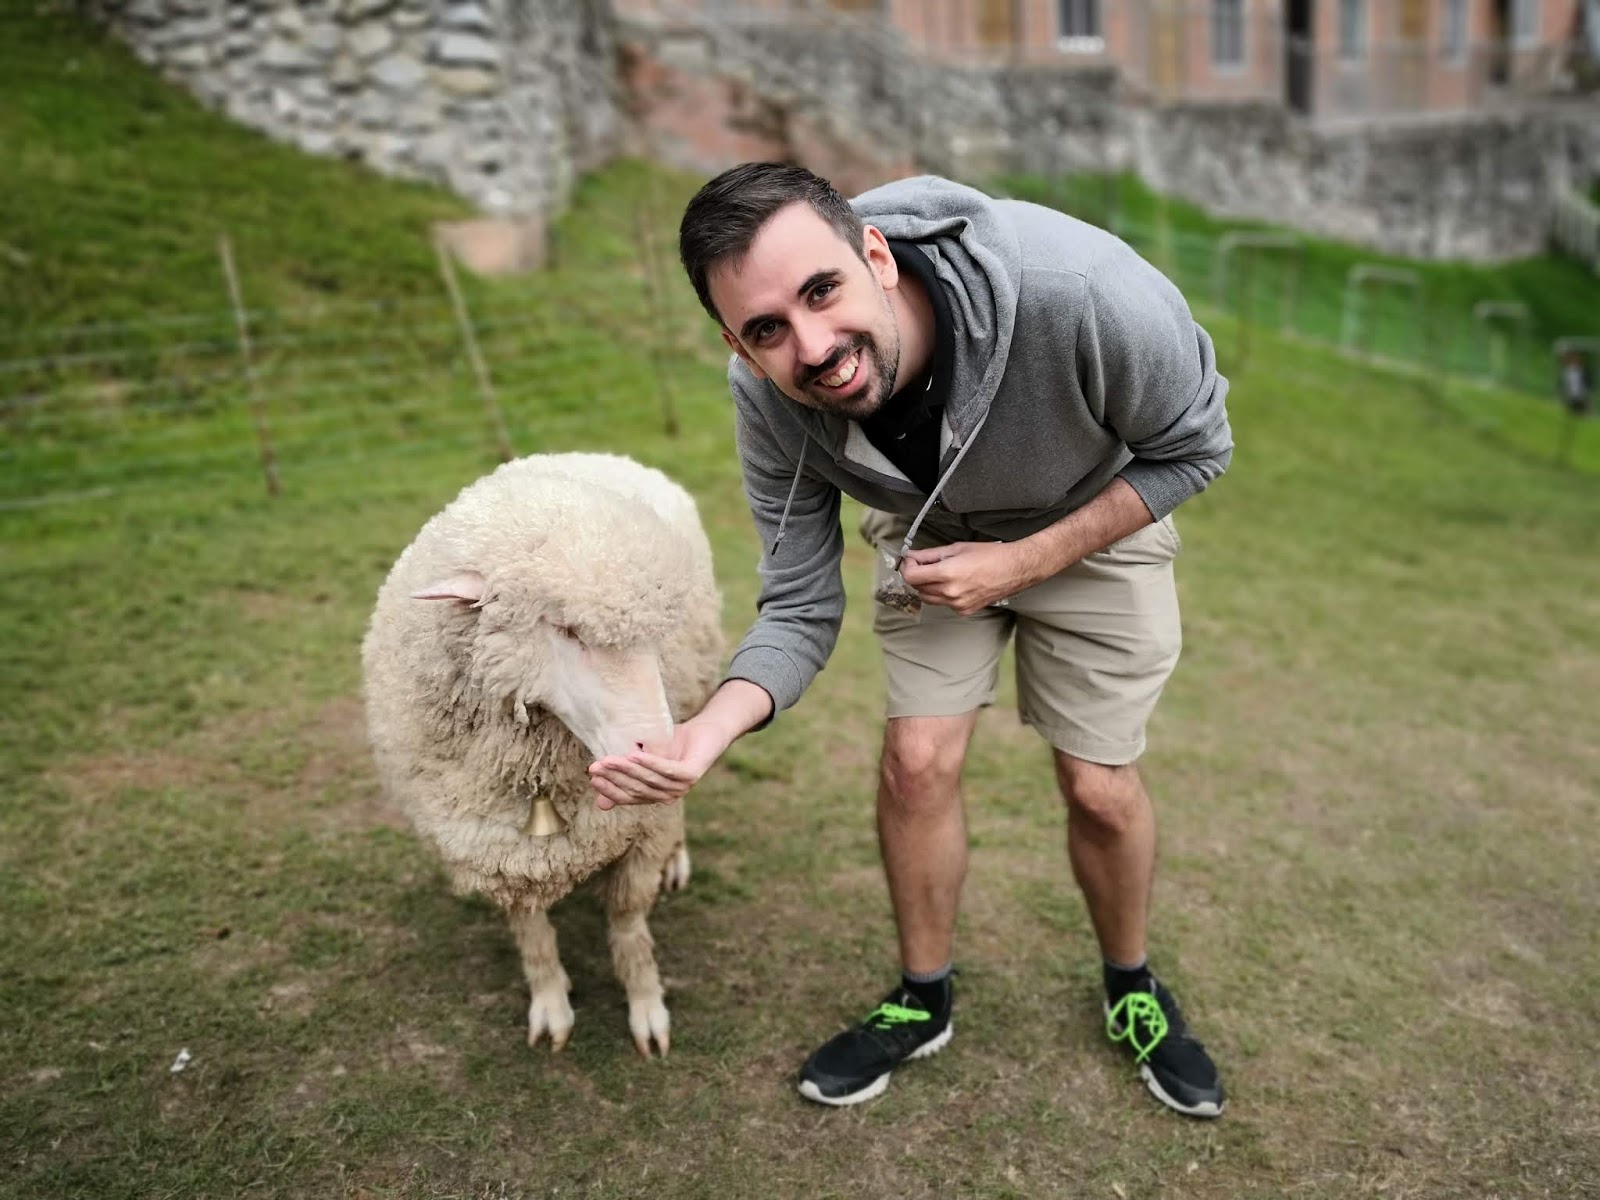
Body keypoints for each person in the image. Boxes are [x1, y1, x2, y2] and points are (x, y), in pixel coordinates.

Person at [587, 163, 1233, 1118]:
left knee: (1098, 785)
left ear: (876, 255)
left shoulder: (1081, 294)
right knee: (916, 763)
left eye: (822, 291)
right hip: (927, 535)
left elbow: (1197, 445)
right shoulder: (768, 398)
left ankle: (1131, 983)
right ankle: (922, 998)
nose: (814, 348)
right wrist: (703, 735)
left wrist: (1021, 563)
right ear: (735, 341)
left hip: (1099, 522)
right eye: (767, 329)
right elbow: (800, 604)